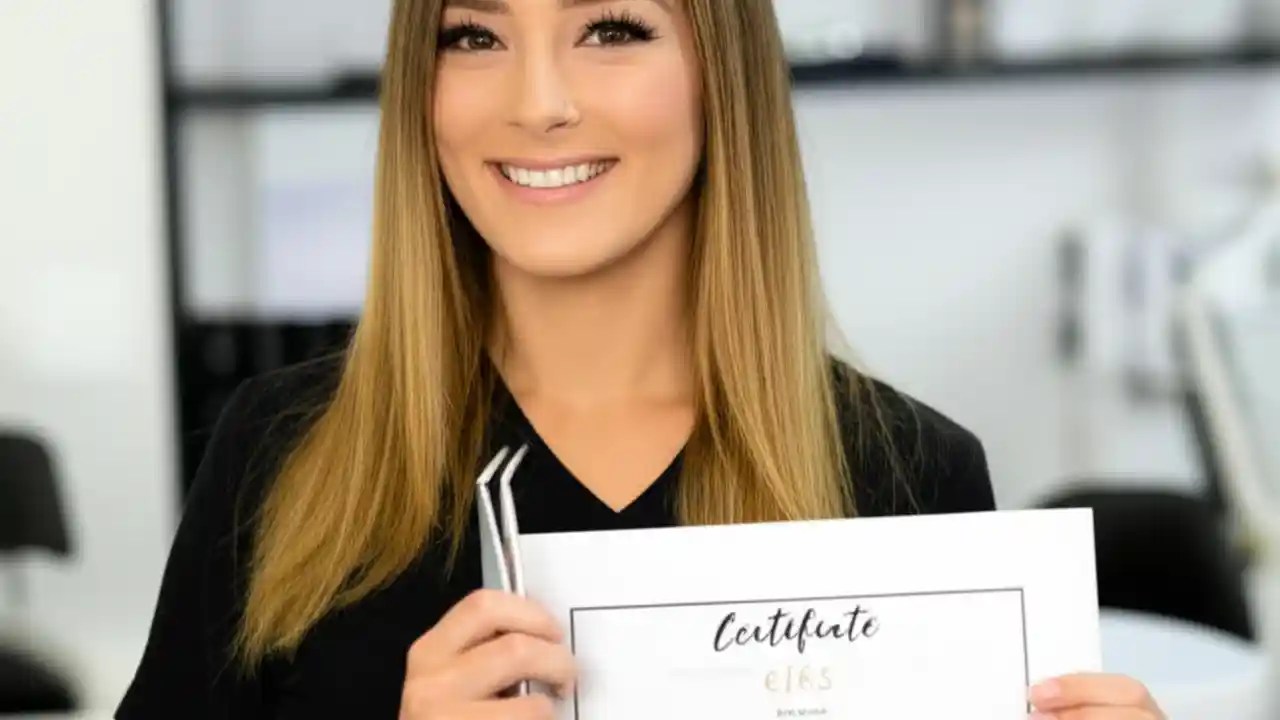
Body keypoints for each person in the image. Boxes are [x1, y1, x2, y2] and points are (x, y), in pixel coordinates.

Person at [118, 0, 1166, 718]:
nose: (536, 102)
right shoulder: (282, 456)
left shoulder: (907, 474)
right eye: (473, 34)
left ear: (722, 74)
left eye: (610, 28)